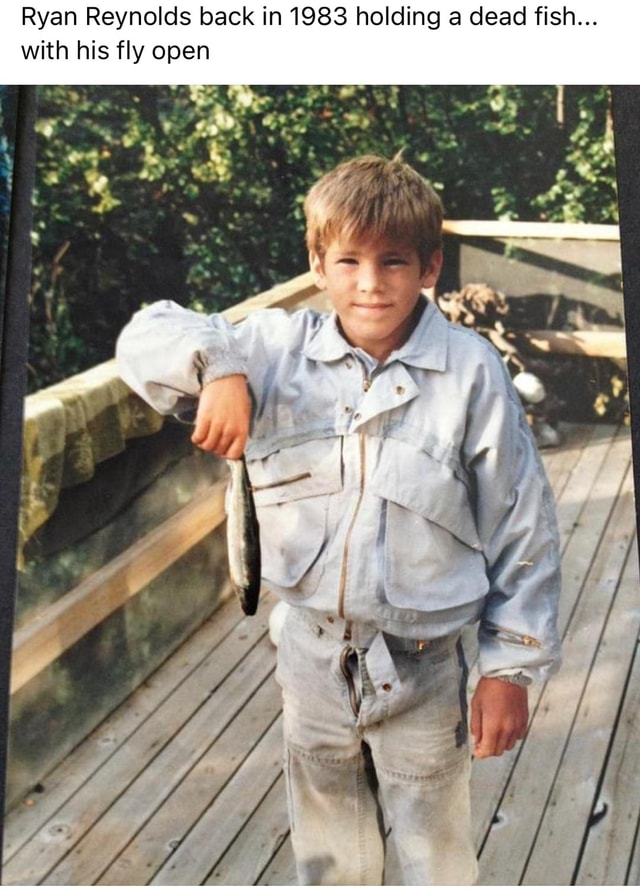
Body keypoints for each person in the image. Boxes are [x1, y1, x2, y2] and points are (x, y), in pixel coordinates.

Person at [116, 154, 561, 885]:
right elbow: (145, 334)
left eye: (394, 261)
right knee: (328, 858)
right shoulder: (270, 350)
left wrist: (510, 667)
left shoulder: (472, 373)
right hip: (309, 658)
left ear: (430, 267)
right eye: (348, 260)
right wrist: (219, 368)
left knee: (436, 858)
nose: (369, 282)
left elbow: (524, 528)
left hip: (424, 668)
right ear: (317, 264)